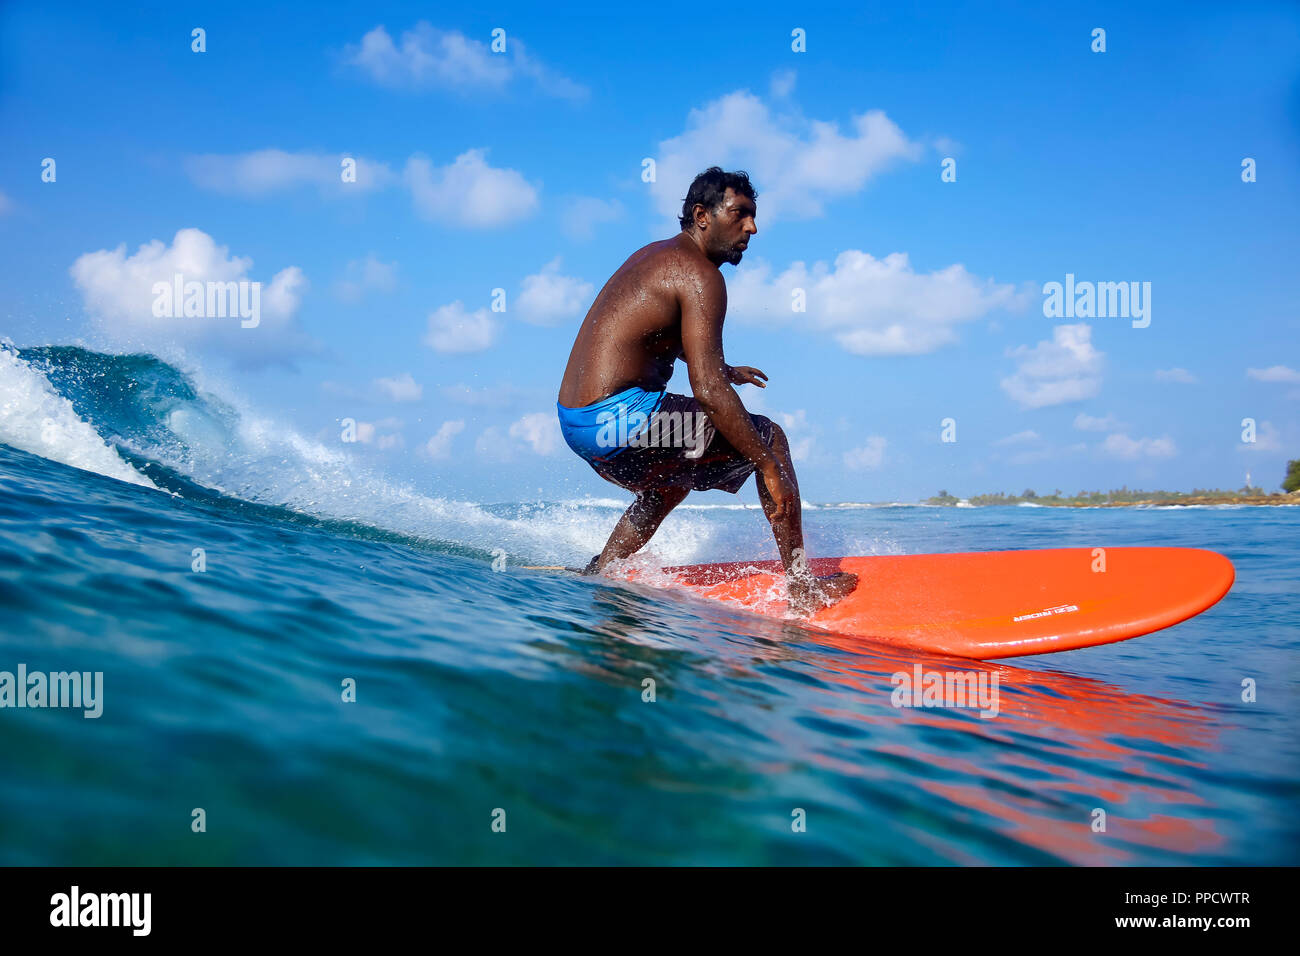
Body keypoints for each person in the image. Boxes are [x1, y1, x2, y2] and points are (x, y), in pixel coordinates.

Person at [556, 167, 857, 614]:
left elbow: (652, 336)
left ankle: (603, 568)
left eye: (753, 217)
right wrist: (763, 460)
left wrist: (724, 369)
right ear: (702, 215)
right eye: (740, 214)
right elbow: (708, 389)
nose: (751, 228)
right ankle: (802, 589)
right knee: (769, 437)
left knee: (670, 478)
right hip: (620, 417)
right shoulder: (700, 275)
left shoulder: (657, 257)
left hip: (577, 421)